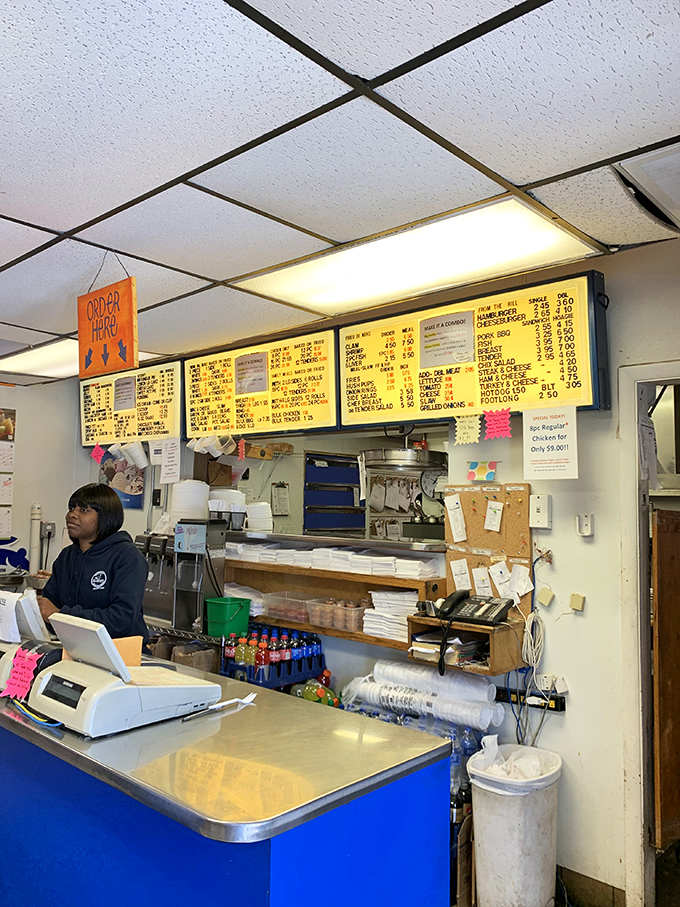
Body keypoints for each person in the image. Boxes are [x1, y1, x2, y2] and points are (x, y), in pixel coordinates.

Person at [39, 483, 149, 645]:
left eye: (83, 510)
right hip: (76, 650)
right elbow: (50, 604)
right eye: (71, 508)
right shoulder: (67, 556)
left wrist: (61, 615)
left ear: (105, 516)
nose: (72, 515)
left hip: (122, 656)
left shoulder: (128, 557)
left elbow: (121, 618)